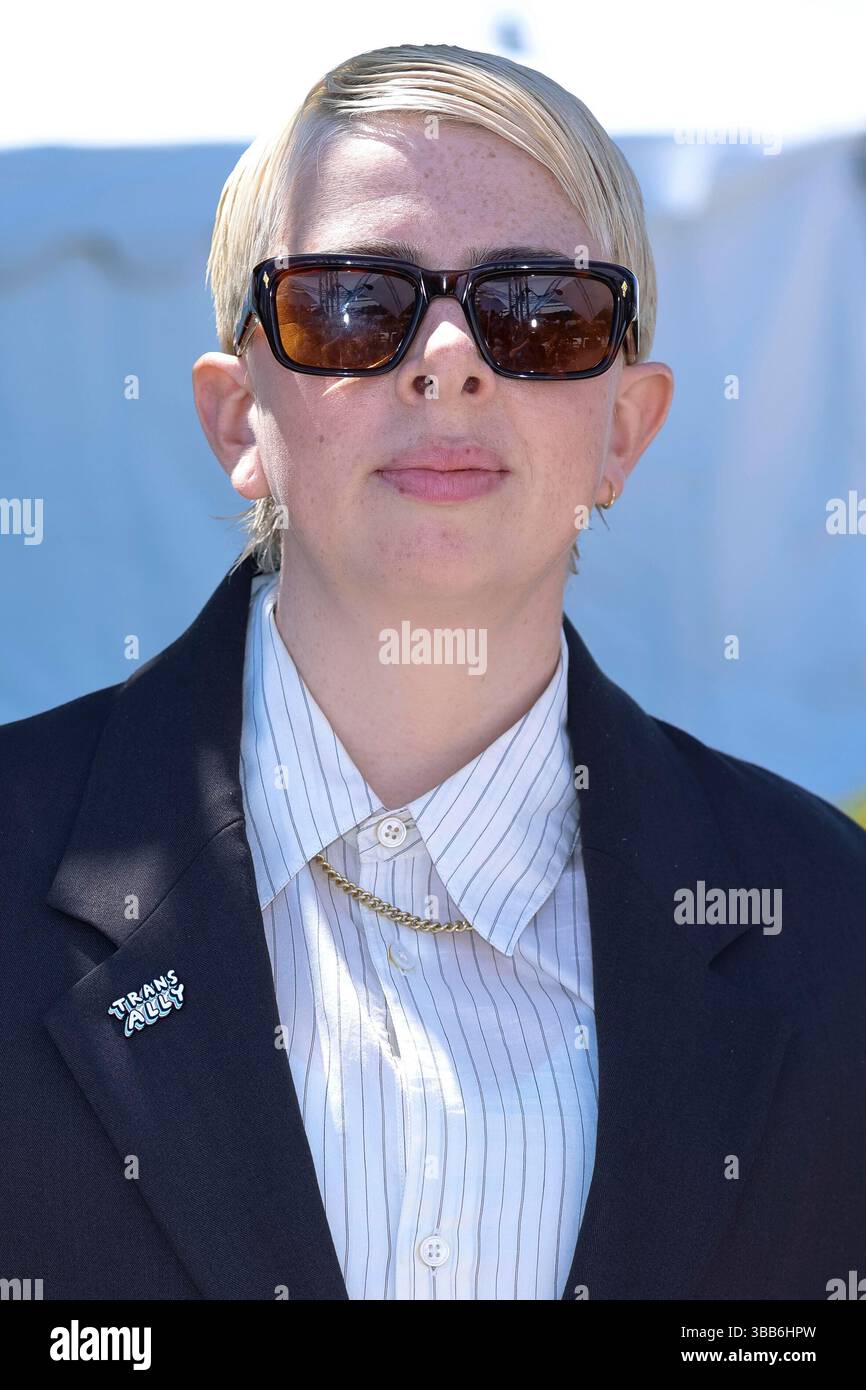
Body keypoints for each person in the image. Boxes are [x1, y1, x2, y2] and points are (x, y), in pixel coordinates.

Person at [1, 42, 864, 1304]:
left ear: (623, 428)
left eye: (543, 312)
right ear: (239, 419)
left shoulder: (827, 926)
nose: (448, 356)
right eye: (352, 302)